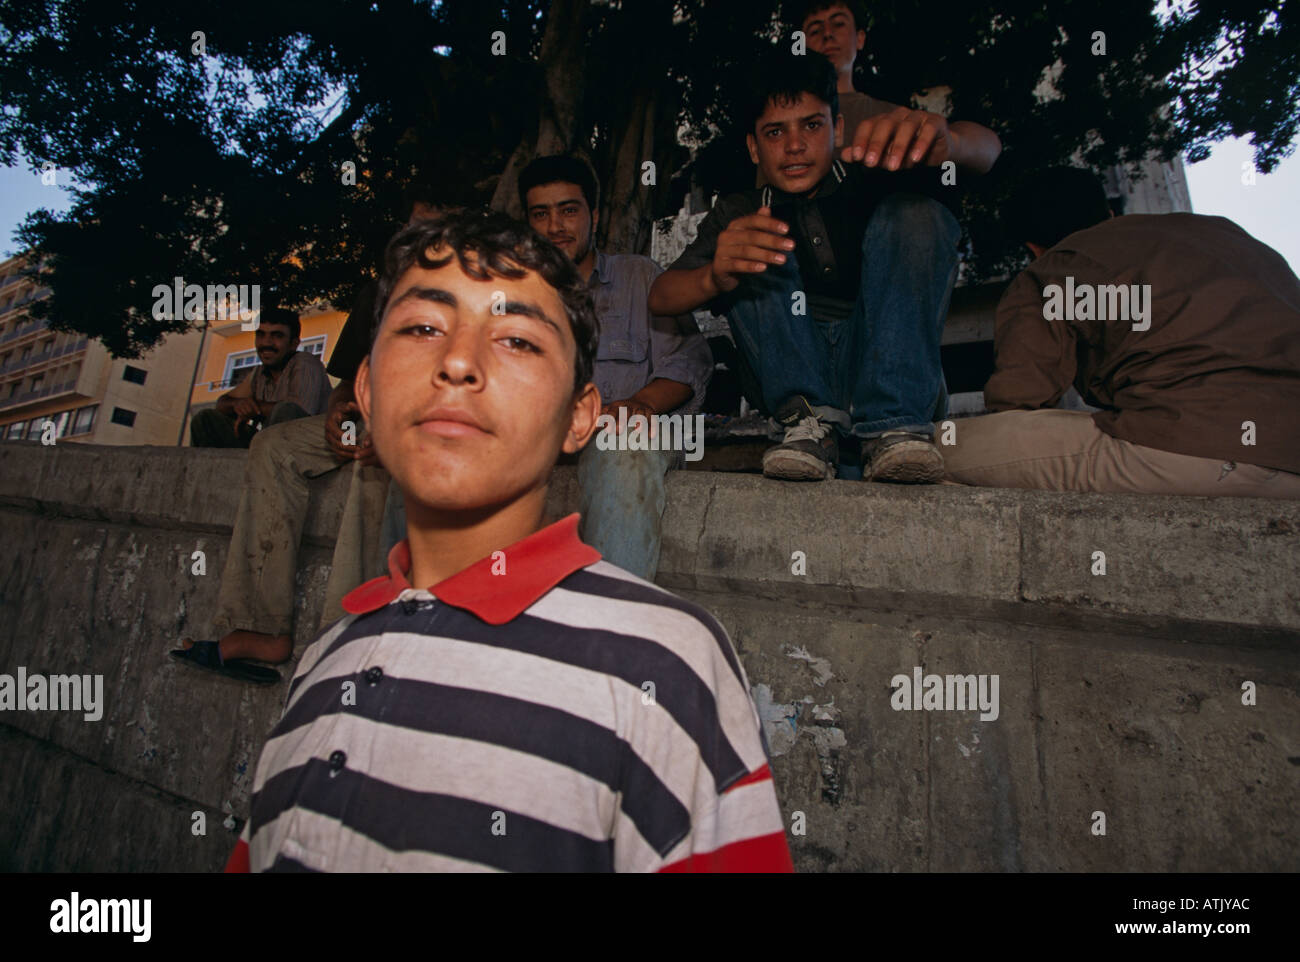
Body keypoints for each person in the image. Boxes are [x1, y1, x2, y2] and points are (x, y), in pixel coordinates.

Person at [223, 208, 793, 872]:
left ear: (581, 416)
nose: (459, 361)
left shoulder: (669, 668)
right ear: (368, 392)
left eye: (517, 339)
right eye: (423, 328)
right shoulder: (324, 665)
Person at [649, 52, 999, 483]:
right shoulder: (736, 210)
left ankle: (895, 424)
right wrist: (715, 276)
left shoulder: (875, 176)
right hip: (788, 372)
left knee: (917, 213)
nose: (794, 145)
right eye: (775, 132)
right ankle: (805, 427)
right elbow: (661, 296)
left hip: (875, 361)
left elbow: (989, 151)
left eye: (811, 126)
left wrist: (954, 141)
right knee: (750, 242)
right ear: (753, 146)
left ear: (838, 128)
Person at [171, 200, 440, 683]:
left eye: (434, 229)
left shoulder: (475, 297)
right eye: (410, 228)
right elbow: (343, 382)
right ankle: (262, 628)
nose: (418, 240)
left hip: (421, 427)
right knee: (274, 447)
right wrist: (339, 409)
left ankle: (344, 636)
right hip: (367, 414)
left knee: (375, 469)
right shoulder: (377, 294)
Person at [942, 166, 1300, 498]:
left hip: (1192, 451)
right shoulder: (1228, 236)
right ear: (1110, 213)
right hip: (1290, 454)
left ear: (1033, 248)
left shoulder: (1055, 267)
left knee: (942, 444)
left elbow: (1018, 402)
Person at [518, 155, 712, 579]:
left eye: (569, 210)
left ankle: (614, 621)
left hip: (629, 436)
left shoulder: (639, 277)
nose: (555, 226)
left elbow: (687, 365)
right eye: (541, 214)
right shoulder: (511, 298)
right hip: (539, 448)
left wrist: (639, 404)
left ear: (595, 215)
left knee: (622, 442)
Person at [190, 307, 331, 448]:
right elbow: (222, 403)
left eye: (277, 336)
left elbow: (296, 412)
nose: (266, 343)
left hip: (309, 449)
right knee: (205, 419)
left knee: (285, 411)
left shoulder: (305, 363)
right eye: (261, 335)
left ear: (294, 344)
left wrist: (254, 407)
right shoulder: (259, 373)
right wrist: (238, 405)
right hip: (266, 443)